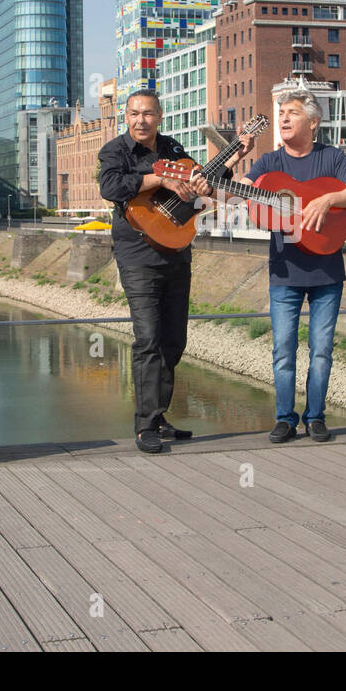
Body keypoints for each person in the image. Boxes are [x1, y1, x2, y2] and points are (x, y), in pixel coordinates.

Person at [96, 90, 227, 453]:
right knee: (148, 338)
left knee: (174, 339)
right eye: (134, 114)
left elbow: (200, 186)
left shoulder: (172, 148)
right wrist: (160, 180)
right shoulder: (114, 152)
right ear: (126, 117)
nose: (141, 120)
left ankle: (159, 416)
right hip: (137, 255)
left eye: (148, 114)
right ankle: (144, 426)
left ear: (160, 116)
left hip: (177, 251)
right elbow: (111, 187)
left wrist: (211, 176)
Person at [238, 89, 346, 444]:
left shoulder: (332, 158)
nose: (282, 119)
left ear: (313, 122)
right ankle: (284, 418)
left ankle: (315, 417)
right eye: (281, 112)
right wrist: (224, 168)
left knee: (322, 349)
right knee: (283, 350)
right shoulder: (268, 162)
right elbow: (236, 191)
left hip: (327, 271)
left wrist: (328, 199)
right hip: (284, 273)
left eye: (292, 112)